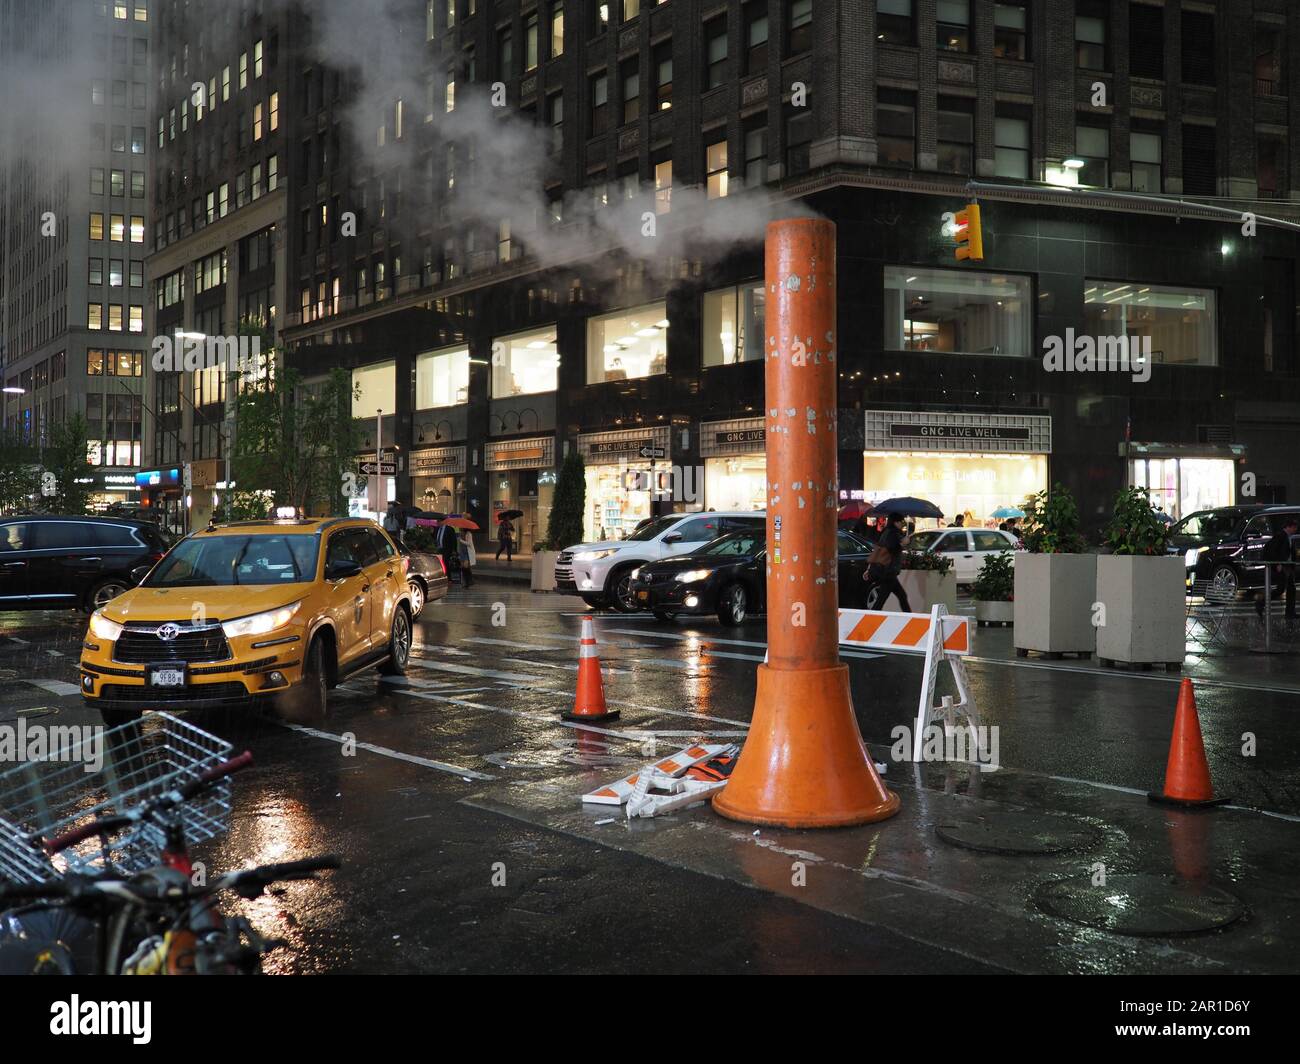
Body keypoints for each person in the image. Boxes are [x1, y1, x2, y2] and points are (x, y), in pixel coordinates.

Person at [863, 512, 912, 612]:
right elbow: (892, 549)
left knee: (900, 596)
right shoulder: (893, 533)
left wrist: (869, 568)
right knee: (884, 599)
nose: (901, 524)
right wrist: (903, 543)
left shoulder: (887, 532)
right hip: (888, 571)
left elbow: (878, 550)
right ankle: (909, 617)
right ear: (895, 522)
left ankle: (909, 616)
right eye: (900, 521)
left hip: (886, 570)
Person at [1257, 516, 1298, 619]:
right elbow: (1271, 551)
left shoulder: (1288, 537)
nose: (1295, 529)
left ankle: (1290, 613)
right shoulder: (1280, 536)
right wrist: (1277, 564)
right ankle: (1261, 602)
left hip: (1288, 566)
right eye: (1294, 527)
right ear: (1289, 527)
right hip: (1282, 566)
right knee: (1281, 589)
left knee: (1291, 589)